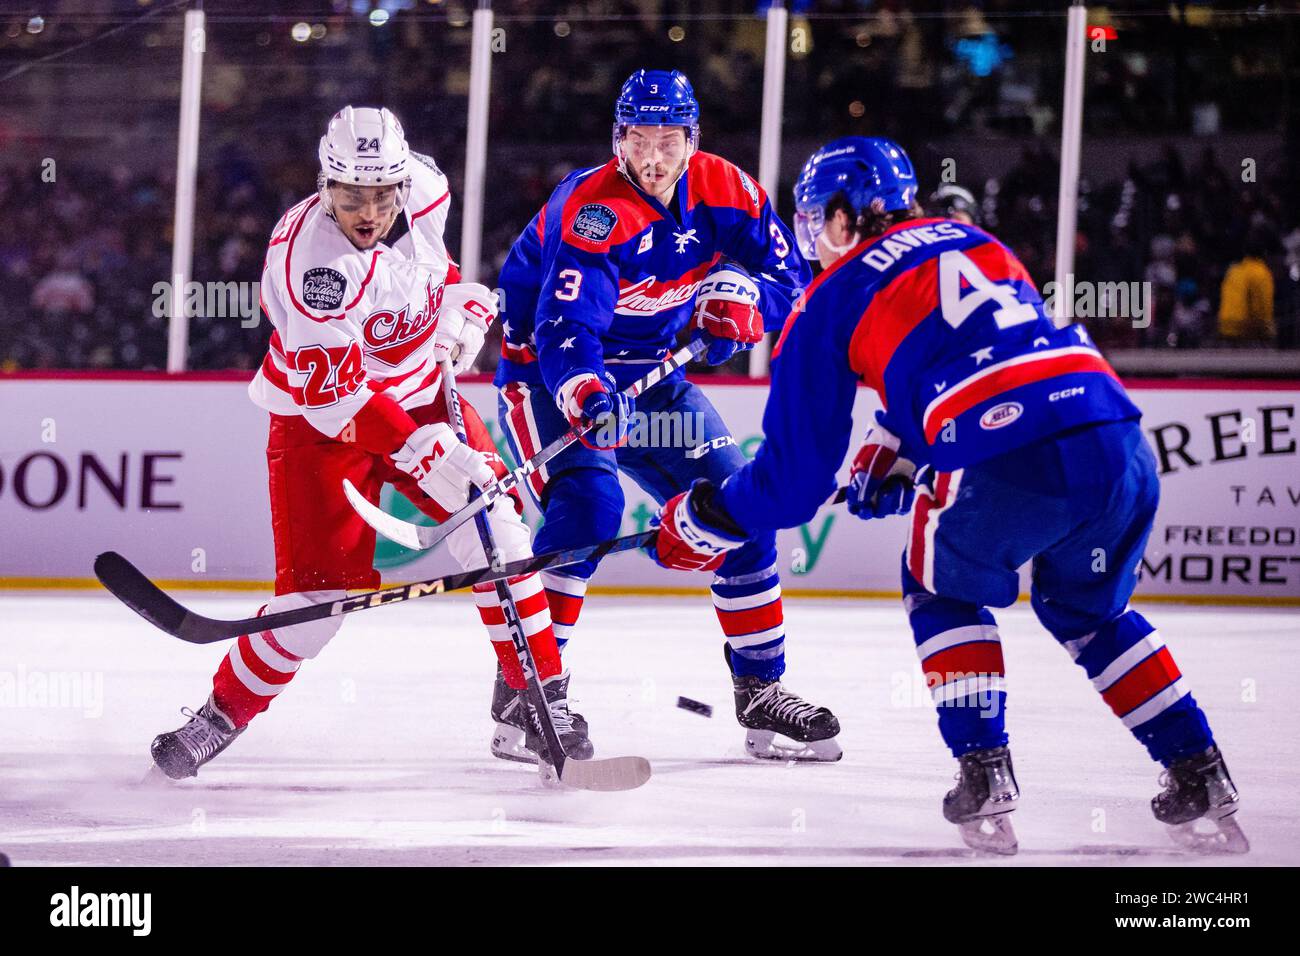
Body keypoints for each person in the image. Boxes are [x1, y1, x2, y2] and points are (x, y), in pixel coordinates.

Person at [647, 136, 1246, 855]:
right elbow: (984, 349)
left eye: (813, 223)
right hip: (1116, 436)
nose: (811, 243)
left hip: (1008, 450)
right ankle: (1198, 768)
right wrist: (895, 447)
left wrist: (708, 515)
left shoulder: (828, 298)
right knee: (1090, 612)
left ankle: (985, 770)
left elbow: (793, 485)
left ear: (841, 219)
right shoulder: (977, 240)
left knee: (937, 588)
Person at [150, 106, 588, 779]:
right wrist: (422, 451)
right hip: (322, 423)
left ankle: (537, 702)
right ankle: (221, 714)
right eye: (351, 196)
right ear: (325, 185)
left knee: (498, 530)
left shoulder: (425, 189)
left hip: (418, 393)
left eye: (381, 195)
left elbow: (428, 276)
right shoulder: (310, 267)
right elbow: (340, 399)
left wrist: (458, 312)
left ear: (401, 184)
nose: (366, 211)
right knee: (314, 607)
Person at [491, 70, 841, 763]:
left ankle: (761, 696)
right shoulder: (593, 210)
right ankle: (529, 697)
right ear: (618, 139)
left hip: (655, 381)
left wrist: (748, 301)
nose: (652, 158)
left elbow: (794, 282)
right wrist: (587, 395)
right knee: (587, 510)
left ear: (693, 139)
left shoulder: (729, 192)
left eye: (668, 141)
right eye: (638, 140)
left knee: (743, 507)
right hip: (548, 376)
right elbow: (565, 327)